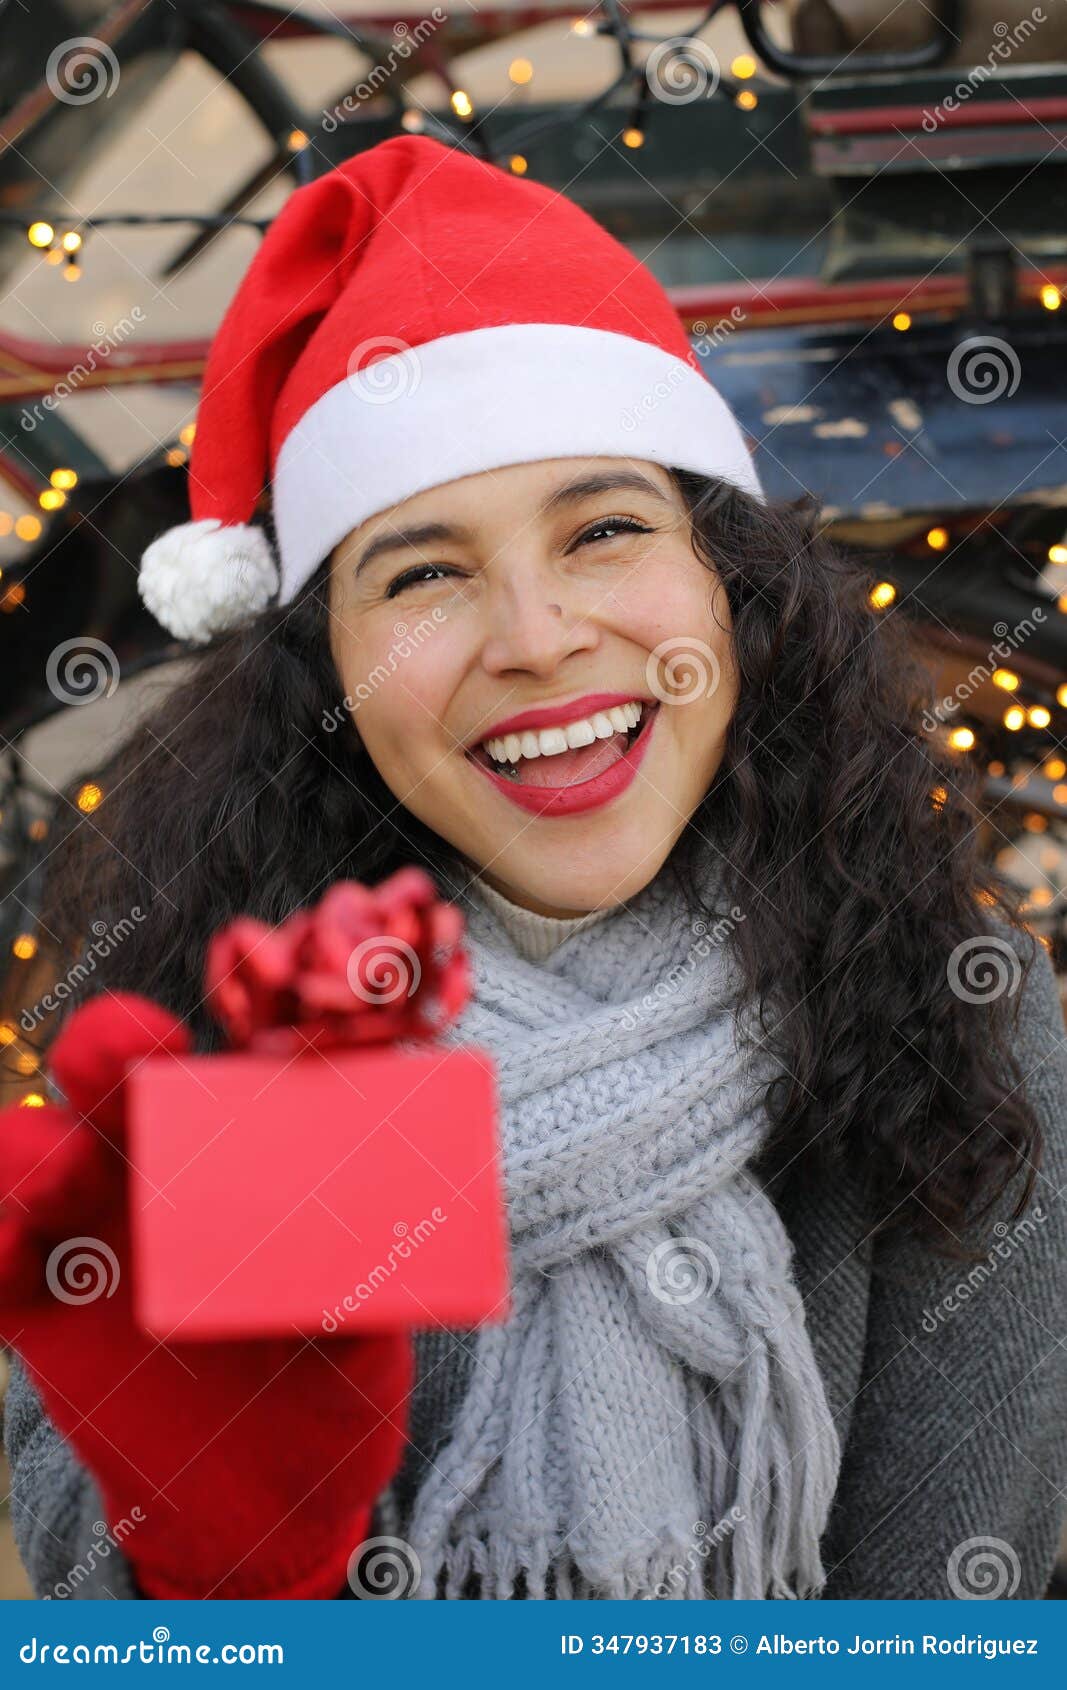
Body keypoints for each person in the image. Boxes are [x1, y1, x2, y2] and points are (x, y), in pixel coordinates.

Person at [3, 135, 1066, 1603]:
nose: (536, 634)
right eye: (423, 571)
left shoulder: (960, 1010)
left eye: (608, 529)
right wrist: (223, 1553)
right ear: (327, 671)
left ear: (730, 589)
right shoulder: (213, 1028)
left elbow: (948, 1611)